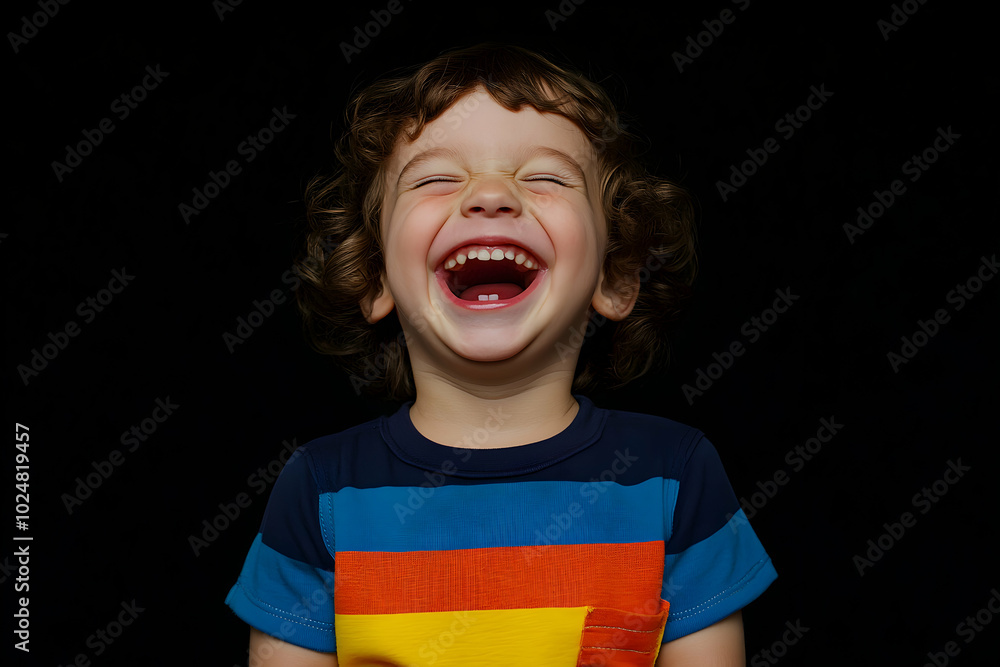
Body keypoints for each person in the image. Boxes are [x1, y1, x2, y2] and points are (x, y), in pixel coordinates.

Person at [225, 42, 777, 666]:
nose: (489, 196)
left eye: (545, 177)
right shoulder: (320, 491)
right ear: (374, 277)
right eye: (436, 178)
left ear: (617, 274)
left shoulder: (675, 480)